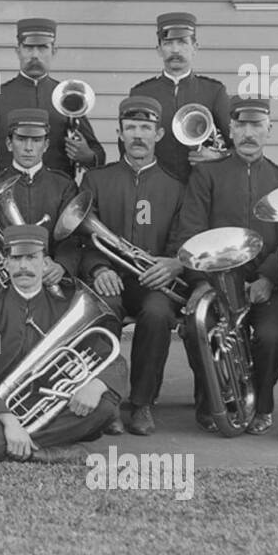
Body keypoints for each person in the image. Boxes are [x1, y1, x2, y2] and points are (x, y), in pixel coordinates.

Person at [171, 96, 278, 437]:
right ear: (231, 130)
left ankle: (260, 406)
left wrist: (267, 278)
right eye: (242, 125)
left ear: (269, 130)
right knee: (197, 328)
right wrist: (201, 283)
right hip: (217, 282)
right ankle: (212, 402)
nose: (249, 133)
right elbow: (189, 232)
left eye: (257, 125)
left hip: (265, 286)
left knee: (272, 336)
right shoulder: (206, 174)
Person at [0, 225, 128, 461]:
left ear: (45, 263)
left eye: (31, 258)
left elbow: (114, 360)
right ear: (6, 263)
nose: (23, 267)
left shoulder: (66, 307)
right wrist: (9, 421)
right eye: (16, 258)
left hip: (50, 410)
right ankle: (48, 453)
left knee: (106, 408)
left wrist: (97, 385)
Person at [78, 96, 186, 435]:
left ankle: (141, 403)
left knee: (157, 315)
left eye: (145, 128)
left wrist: (172, 265)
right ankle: (107, 402)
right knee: (101, 311)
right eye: (131, 128)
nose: (138, 135)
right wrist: (99, 270)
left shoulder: (176, 185)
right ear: (119, 133)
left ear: (159, 133)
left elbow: (182, 240)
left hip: (154, 280)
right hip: (110, 279)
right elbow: (79, 239)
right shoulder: (97, 179)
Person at [0, 17, 104, 182]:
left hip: (59, 198)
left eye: (43, 48)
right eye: (28, 48)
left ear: (54, 51)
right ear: (18, 51)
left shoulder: (67, 96)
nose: (35, 55)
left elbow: (98, 155)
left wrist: (87, 156)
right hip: (9, 196)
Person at [0, 107, 81, 297]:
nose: (28, 147)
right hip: (5, 279)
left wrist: (61, 265)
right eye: (21, 139)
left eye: (36, 140)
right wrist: (5, 263)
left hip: (49, 278)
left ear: (46, 145)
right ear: (9, 143)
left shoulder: (63, 185)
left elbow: (72, 237)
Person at [125, 11, 231, 183]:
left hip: (200, 190)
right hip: (156, 190)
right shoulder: (141, 93)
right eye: (168, 43)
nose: (175, 50)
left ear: (195, 47)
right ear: (159, 50)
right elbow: (126, 148)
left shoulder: (214, 92)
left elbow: (236, 146)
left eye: (182, 42)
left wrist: (217, 156)